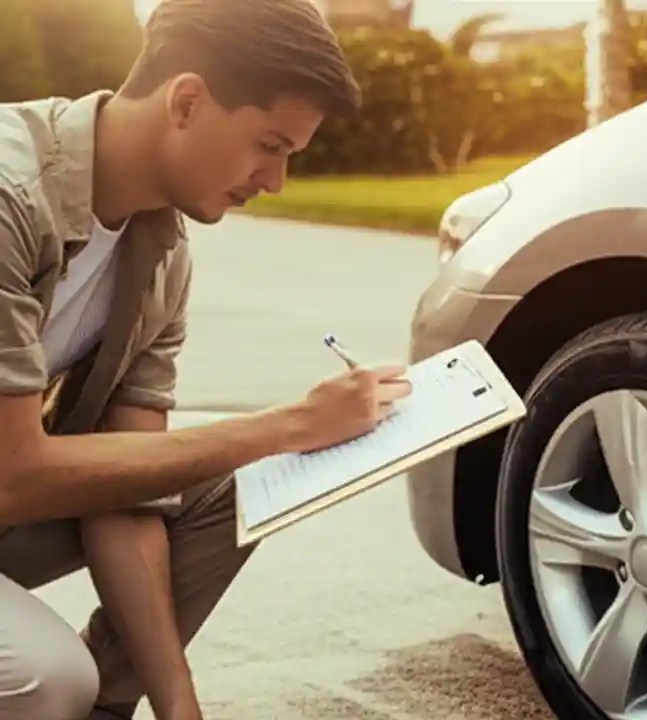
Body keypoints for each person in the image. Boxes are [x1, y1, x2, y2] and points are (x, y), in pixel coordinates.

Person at [0, 1, 411, 718]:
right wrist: (290, 424)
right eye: (269, 144)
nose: (276, 179)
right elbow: (14, 476)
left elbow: (131, 494)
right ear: (186, 100)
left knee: (228, 486)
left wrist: (179, 708)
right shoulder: (10, 193)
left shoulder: (161, 254)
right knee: (48, 676)